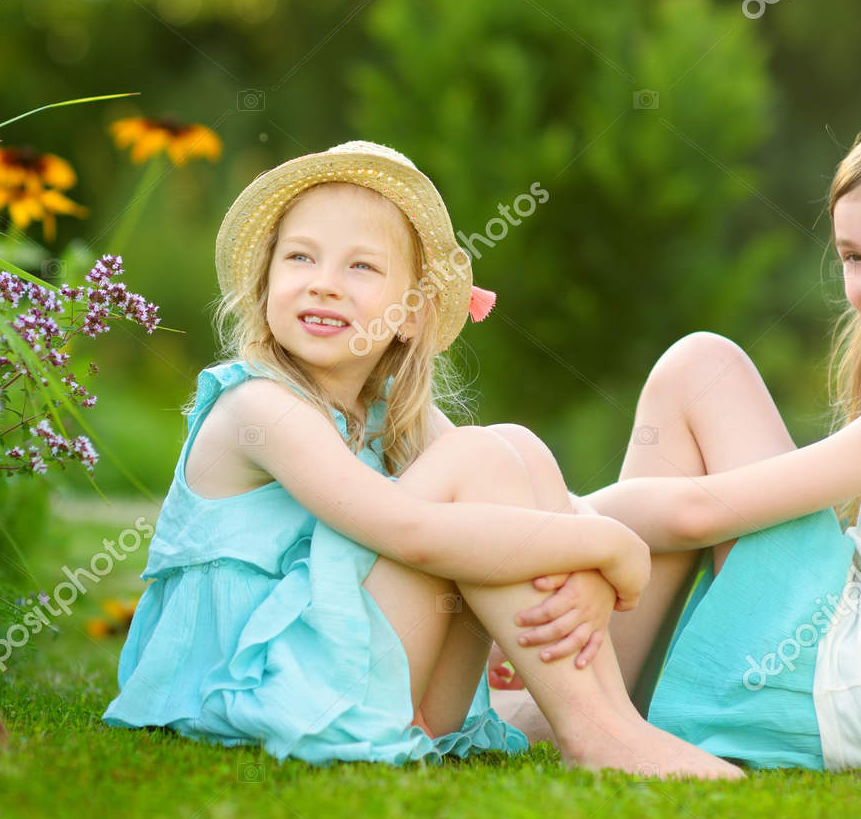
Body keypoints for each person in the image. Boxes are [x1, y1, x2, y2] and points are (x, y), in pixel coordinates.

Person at [490, 101, 861, 771]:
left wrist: (551, 534)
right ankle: (580, 693)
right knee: (694, 405)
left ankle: (580, 696)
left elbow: (704, 509)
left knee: (701, 369)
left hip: (858, 687)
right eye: (853, 256)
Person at [101, 140, 742, 780]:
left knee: (516, 447)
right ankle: (596, 733)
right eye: (300, 257)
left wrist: (601, 555)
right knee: (481, 458)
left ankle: (610, 723)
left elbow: (536, 504)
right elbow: (412, 535)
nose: (323, 282)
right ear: (266, 282)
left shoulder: (387, 414)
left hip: (377, 698)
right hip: (269, 698)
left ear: (414, 315)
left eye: (361, 267)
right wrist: (608, 547)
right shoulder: (259, 407)